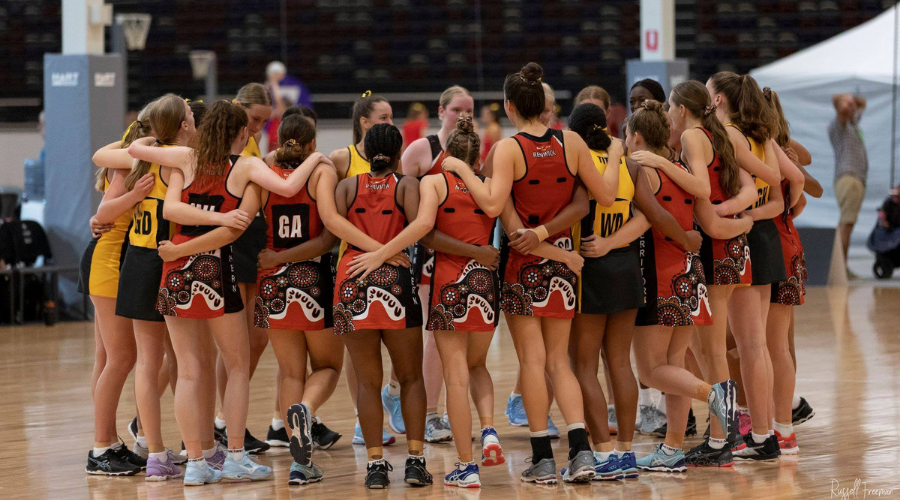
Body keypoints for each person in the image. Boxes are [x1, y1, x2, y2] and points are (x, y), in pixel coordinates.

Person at [130, 99, 331, 485]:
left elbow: (145, 165)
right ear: (242, 133)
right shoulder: (246, 166)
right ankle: (236, 455)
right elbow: (289, 185)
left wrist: (151, 136)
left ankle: (195, 463)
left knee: (187, 371)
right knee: (237, 366)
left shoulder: (184, 159)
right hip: (215, 270)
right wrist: (315, 159)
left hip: (176, 266)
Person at [445, 62, 622, 484]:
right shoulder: (571, 141)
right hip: (563, 264)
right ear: (544, 105)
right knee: (559, 362)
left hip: (525, 267)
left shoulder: (507, 149)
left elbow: (495, 209)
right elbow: (605, 195)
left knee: (532, 361)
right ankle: (581, 453)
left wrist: (463, 169)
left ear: (509, 106)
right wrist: (616, 153)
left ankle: (543, 458)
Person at [566, 102, 700, 480]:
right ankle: (625, 452)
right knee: (620, 363)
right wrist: (686, 239)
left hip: (590, 266)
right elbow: (654, 215)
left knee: (583, 366)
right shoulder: (630, 165)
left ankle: (603, 452)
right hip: (627, 269)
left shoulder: (578, 164)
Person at [634, 80, 756, 467]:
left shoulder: (689, 140)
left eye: (672, 106)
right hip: (725, 249)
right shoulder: (721, 136)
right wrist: (744, 220)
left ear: (682, 109)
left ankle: (724, 433)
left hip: (707, 255)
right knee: (695, 356)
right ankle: (700, 440)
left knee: (708, 354)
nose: (670, 114)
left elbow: (701, 190)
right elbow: (757, 183)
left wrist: (661, 164)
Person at [327, 123, 433, 489]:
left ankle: (375, 465)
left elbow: (332, 231)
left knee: (367, 382)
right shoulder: (406, 185)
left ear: (366, 153)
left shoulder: (345, 187)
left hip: (352, 279)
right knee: (411, 377)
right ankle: (415, 462)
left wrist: (370, 250)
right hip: (395, 280)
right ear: (399, 152)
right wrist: (386, 252)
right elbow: (423, 227)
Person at [706, 72, 794, 461]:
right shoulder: (762, 136)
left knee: (746, 346)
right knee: (757, 345)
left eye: (708, 92)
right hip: (766, 235)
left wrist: (739, 212)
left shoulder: (730, 135)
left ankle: (755, 434)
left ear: (720, 99)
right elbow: (786, 188)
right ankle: (767, 431)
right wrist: (759, 212)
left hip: (743, 238)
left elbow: (777, 179)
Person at [428, 114, 505, 488]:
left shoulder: (435, 183)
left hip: (449, 283)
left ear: (446, 154)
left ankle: (465, 465)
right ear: (479, 157)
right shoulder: (489, 187)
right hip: (485, 283)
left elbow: (427, 236)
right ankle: (489, 430)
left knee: (455, 378)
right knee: (478, 365)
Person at [80, 115, 154, 476]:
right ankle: (100, 448)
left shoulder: (136, 159)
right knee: (122, 357)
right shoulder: (129, 163)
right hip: (108, 263)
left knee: (110, 357)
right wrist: (136, 195)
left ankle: (108, 441)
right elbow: (104, 212)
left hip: (114, 262)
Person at [402, 85, 475, 443]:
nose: (464, 115)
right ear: (441, 111)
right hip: (430, 252)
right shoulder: (422, 149)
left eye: (469, 110)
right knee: (435, 333)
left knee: (460, 337)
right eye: (457, 109)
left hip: (466, 253)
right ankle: (430, 414)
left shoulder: (475, 150)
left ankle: (450, 412)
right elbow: (401, 200)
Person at [329, 91, 399, 447]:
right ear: (364, 122)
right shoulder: (341, 158)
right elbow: (330, 215)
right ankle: (363, 420)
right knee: (358, 354)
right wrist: (377, 250)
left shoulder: (395, 155)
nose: (390, 123)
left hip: (393, 264)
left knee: (400, 349)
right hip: (355, 264)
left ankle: (392, 395)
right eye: (384, 118)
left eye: (391, 117)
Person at [829, 92, 868, 278]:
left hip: (855, 180)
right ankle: (840, 269)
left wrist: (852, 100)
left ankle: (842, 267)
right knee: (846, 225)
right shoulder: (839, 125)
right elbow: (843, 109)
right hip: (849, 179)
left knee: (847, 224)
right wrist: (845, 101)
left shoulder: (852, 126)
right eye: (848, 104)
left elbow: (862, 104)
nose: (853, 107)